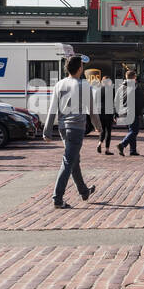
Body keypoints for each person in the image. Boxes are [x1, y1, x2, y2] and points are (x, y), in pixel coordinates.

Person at [46, 54, 98, 208]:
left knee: (74, 159)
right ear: (80, 68)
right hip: (76, 128)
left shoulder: (59, 84)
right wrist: (99, 127)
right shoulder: (84, 85)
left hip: (63, 128)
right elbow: (92, 110)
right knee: (68, 161)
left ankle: (84, 191)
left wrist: (47, 130)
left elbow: (52, 108)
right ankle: (57, 198)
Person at [116, 70, 142, 156]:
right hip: (132, 112)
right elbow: (138, 101)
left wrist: (116, 113)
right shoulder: (135, 86)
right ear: (134, 77)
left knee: (131, 131)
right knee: (134, 131)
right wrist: (139, 113)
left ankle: (132, 150)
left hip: (123, 112)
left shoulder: (120, 87)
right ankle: (122, 144)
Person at [96, 73, 115, 155]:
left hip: (100, 112)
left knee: (102, 130)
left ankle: (99, 143)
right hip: (108, 112)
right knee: (108, 131)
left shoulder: (98, 90)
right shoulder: (111, 90)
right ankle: (107, 149)